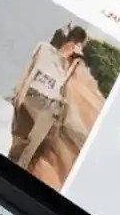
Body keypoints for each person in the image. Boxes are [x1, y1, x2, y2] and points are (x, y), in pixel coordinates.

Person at [9, 25, 87, 170]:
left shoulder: (68, 64)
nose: (72, 51)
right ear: (69, 41)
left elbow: (63, 88)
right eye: (73, 45)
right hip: (31, 97)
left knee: (28, 153)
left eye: (76, 48)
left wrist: (72, 62)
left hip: (49, 106)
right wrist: (19, 92)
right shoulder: (44, 49)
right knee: (18, 143)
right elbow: (30, 69)